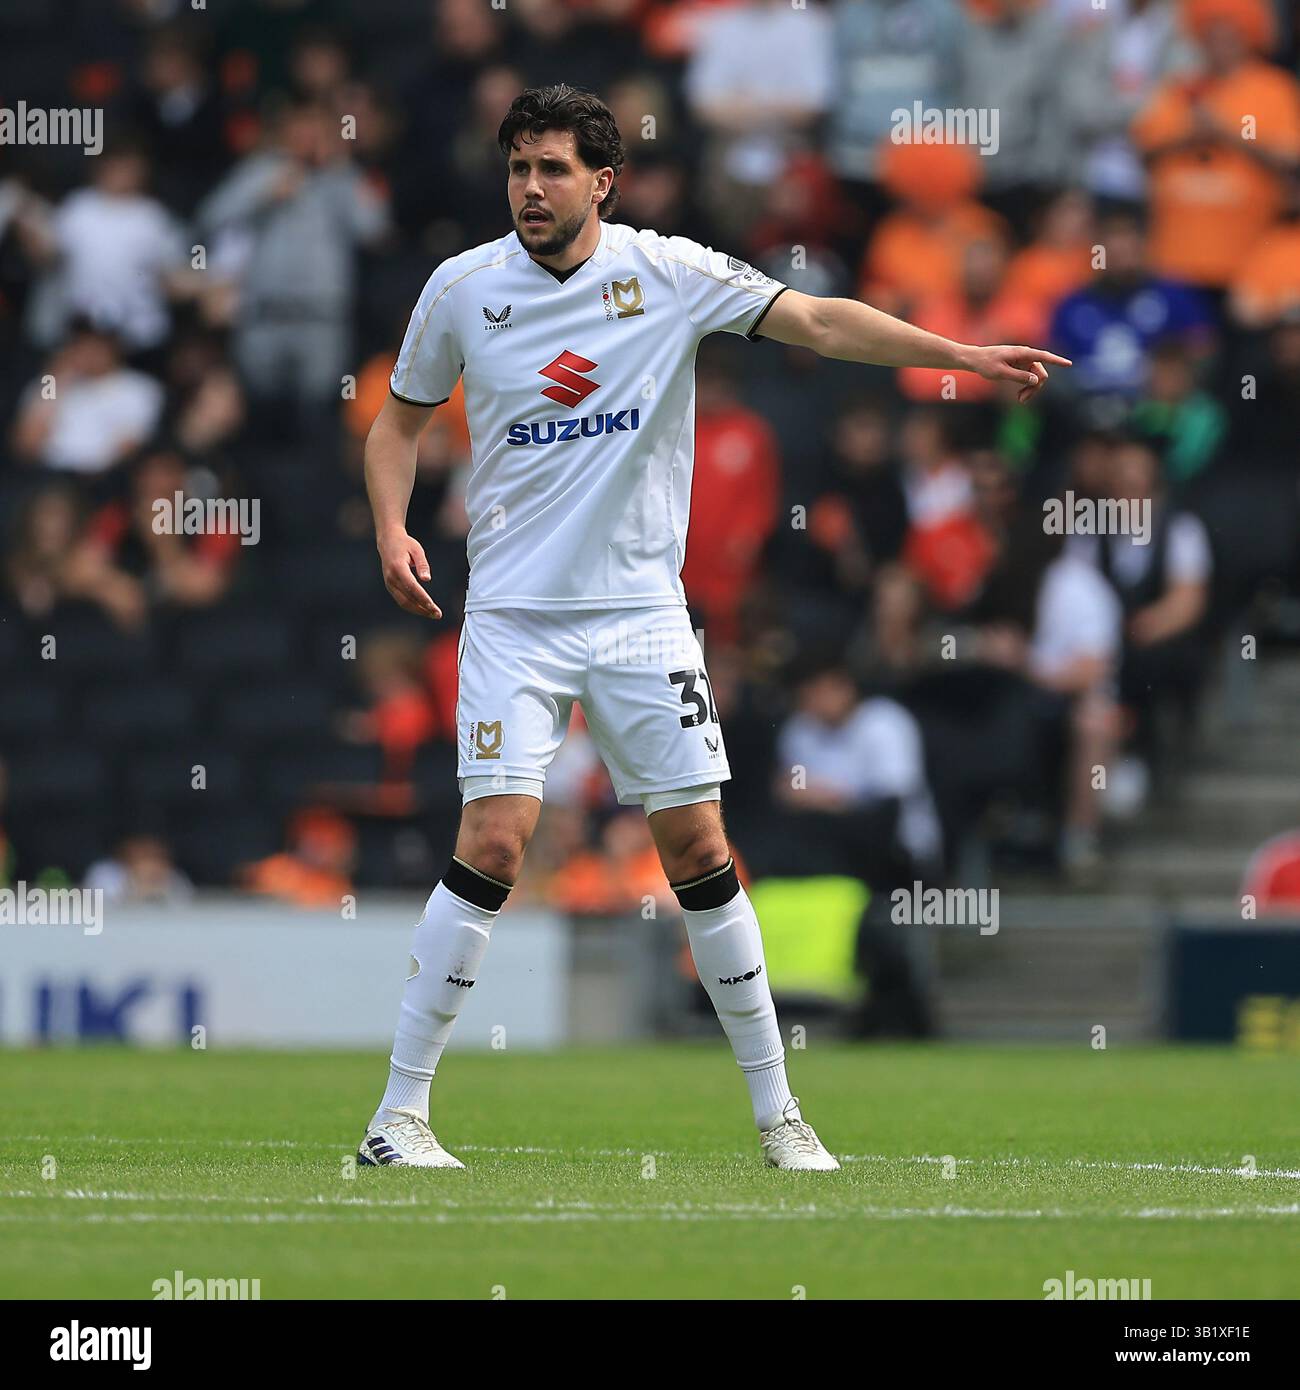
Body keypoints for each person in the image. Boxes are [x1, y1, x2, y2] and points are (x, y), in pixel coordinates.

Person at [359, 83, 1068, 1172]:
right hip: (513, 614)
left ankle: (780, 1116)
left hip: (643, 616)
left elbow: (822, 321)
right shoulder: (462, 289)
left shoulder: (668, 272)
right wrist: (392, 528)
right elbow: (396, 427)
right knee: (494, 841)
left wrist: (959, 356)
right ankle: (397, 1117)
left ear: (603, 180)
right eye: (517, 169)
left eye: (552, 169)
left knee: (698, 848)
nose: (531, 189)